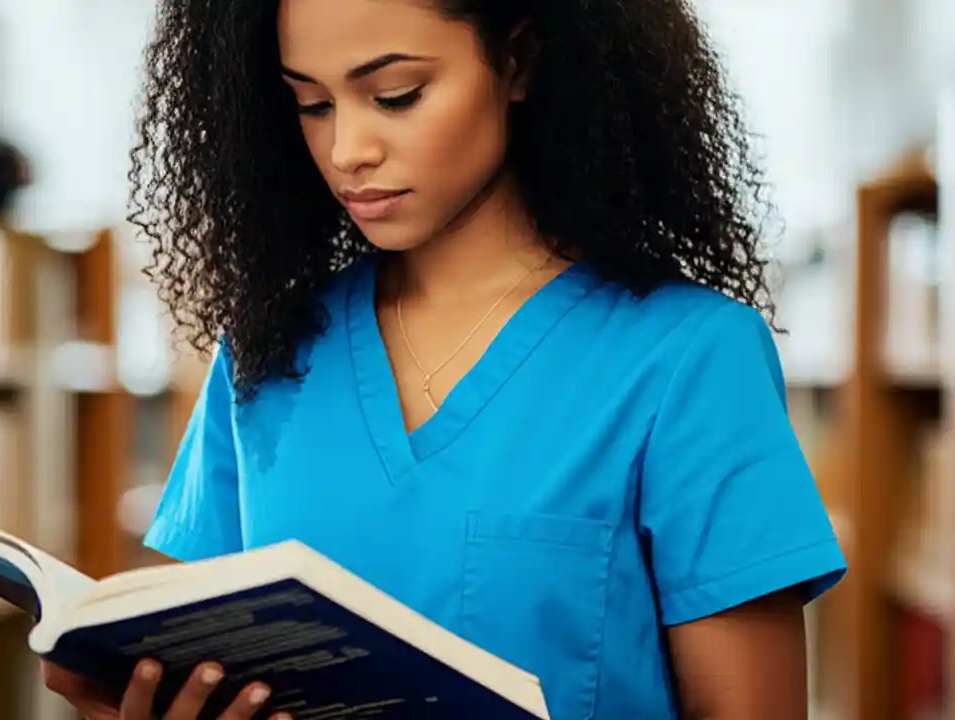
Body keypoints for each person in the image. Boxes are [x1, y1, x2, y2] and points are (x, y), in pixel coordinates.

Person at [43, 0, 848, 718]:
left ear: (520, 61)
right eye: (312, 104)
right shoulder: (267, 353)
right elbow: (201, 657)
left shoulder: (689, 358)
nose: (347, 149)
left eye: (396, 95)